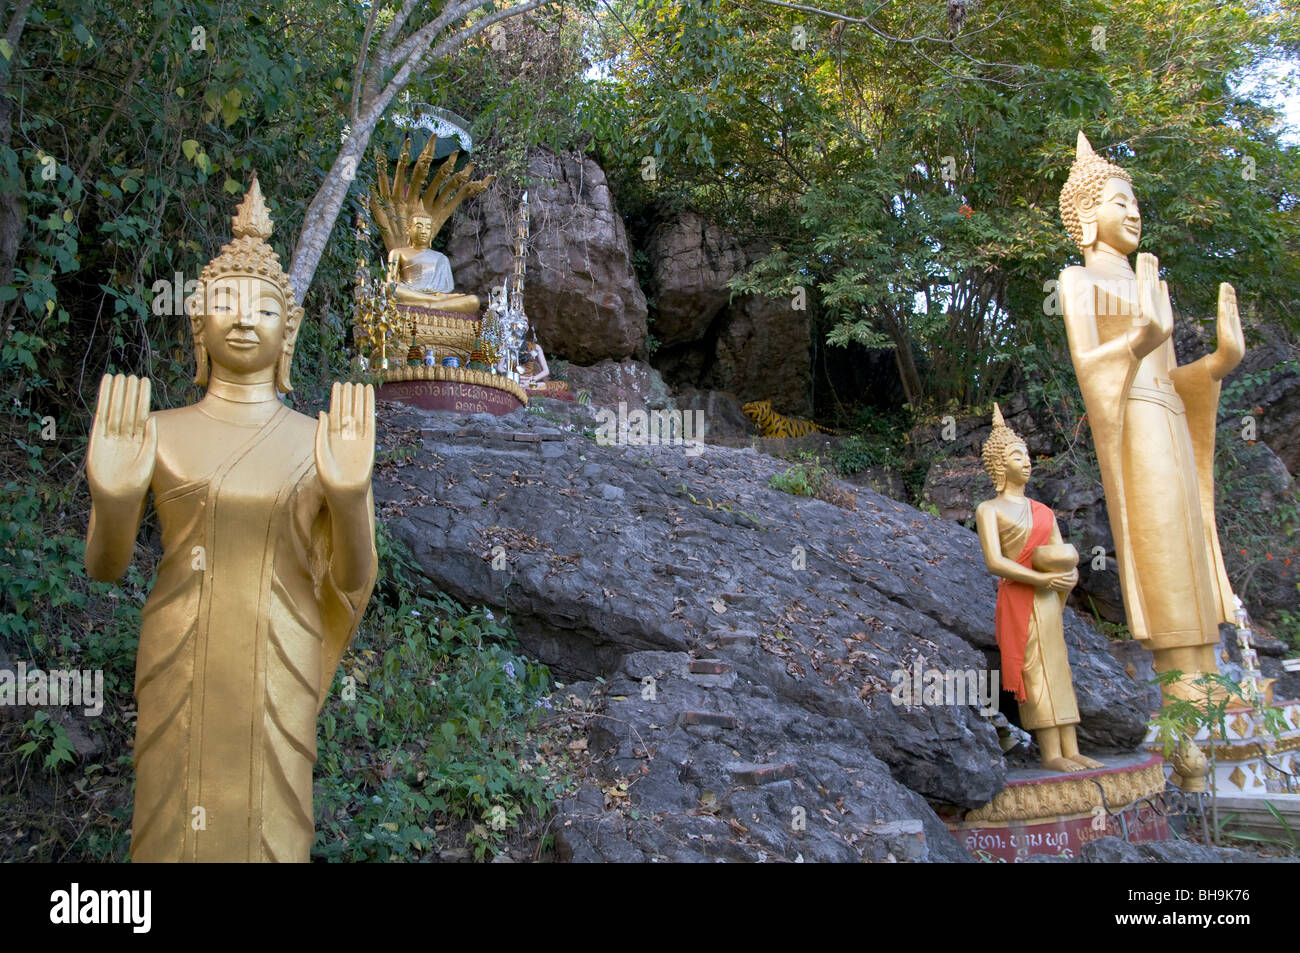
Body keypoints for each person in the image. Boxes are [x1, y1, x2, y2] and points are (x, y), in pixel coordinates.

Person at [84, 180, 377, 861]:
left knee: (273, 819)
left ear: (290, 331)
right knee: (168, 815)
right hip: (179, 649)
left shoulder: (320, 441)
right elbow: (106, 566)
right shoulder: (156, 429)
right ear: (198, 324)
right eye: (224, 302)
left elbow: (353, 577)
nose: (243, 318)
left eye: (264, 307)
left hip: (282, 651)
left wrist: (351, 495)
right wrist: (115, 498)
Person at [975, 405, 1101, 773]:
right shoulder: (990, 509)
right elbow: (995, 563)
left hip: (1049, 599)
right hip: (1020, 596)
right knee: (1035, 671)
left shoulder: (1043, 511)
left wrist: (1067, 580)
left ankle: (1071, 747)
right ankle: (1051, 752)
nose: (1026, 462)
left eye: (1027, 455)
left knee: (1058, 669)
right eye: (1017, 456)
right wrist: (1041, 580)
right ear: (999, 465)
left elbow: (1062, 556)